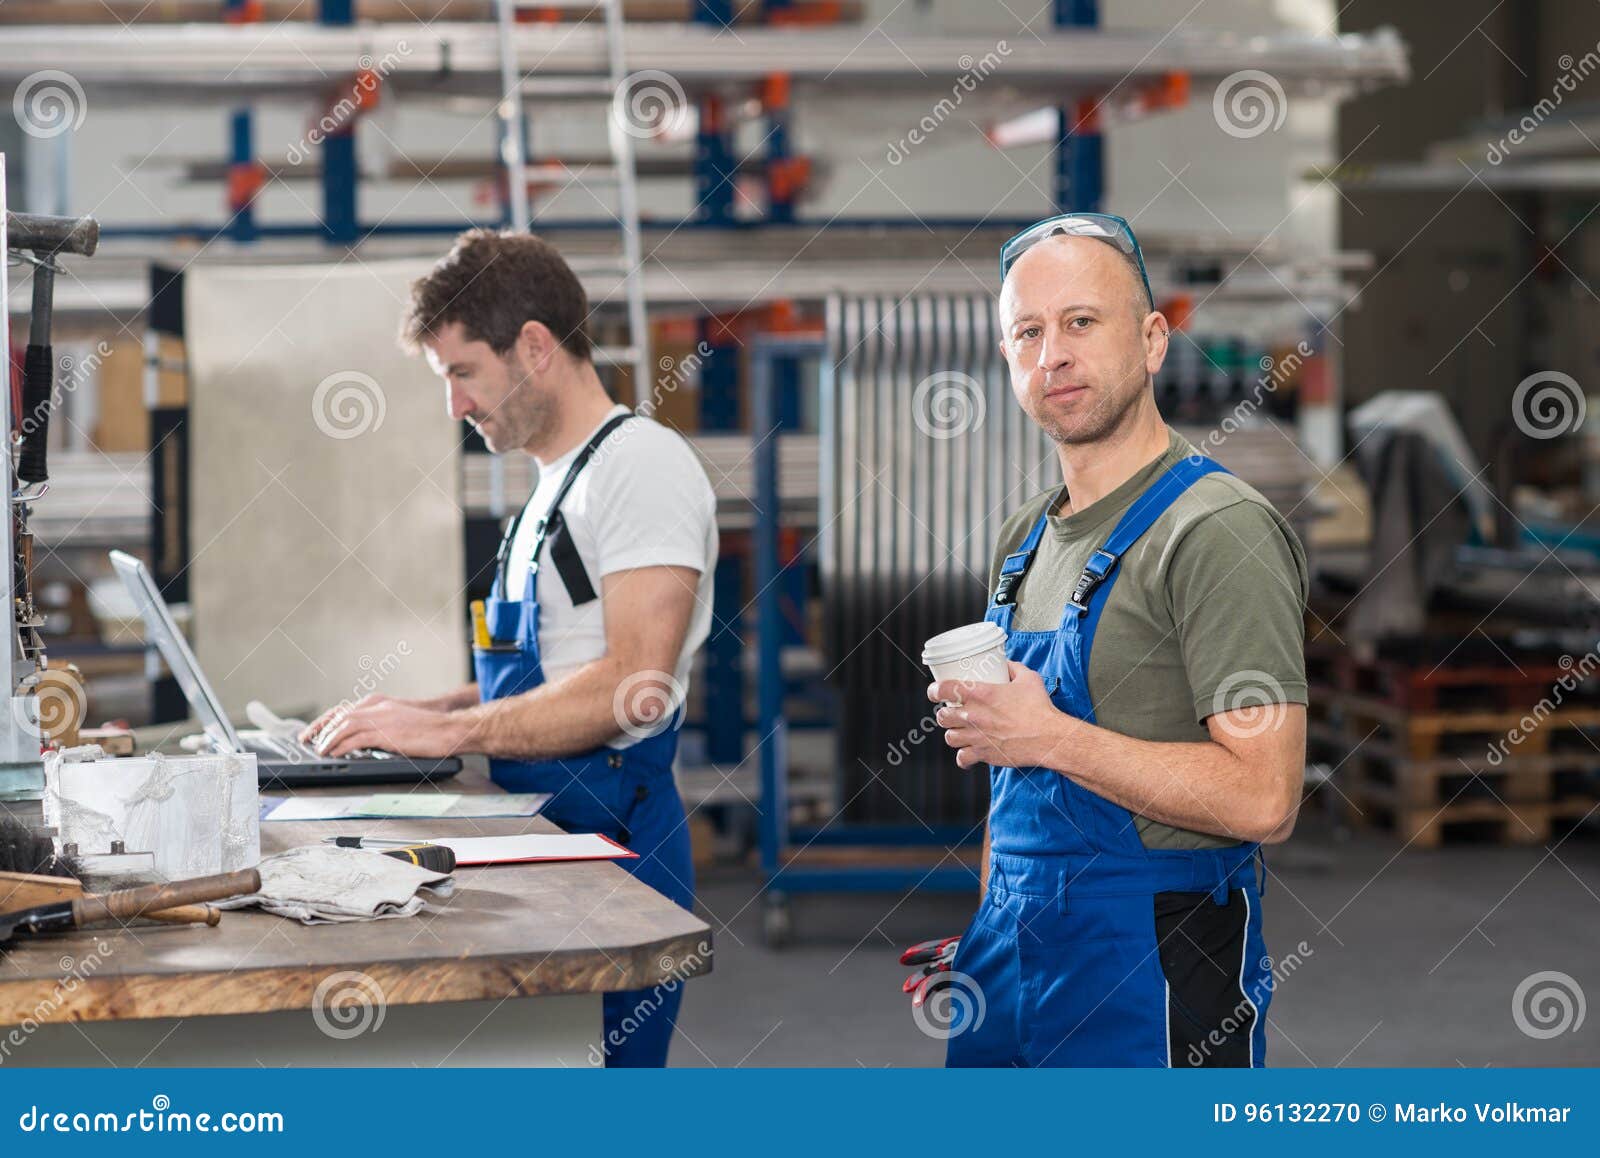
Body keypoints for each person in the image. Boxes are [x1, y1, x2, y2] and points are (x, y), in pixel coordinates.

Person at [305, 229, 717, 1068]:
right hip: (549, 838)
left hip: (613, 851)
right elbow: (559, 663)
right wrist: (427, 710)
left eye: (463, 373)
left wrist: (455, 736)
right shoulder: (551, 484)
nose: (454, 405)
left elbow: (632, 683)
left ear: (533, 347)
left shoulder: (639, 466)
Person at [914, 213, 1309, 1068]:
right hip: (1008, 962)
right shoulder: (1024, 540)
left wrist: (1049, 736)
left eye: (1081, 323)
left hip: (1154, 975)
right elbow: (1009, 772)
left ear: (1154, 339)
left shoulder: (1217, 531)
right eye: (1028, 331)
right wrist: (996, 927)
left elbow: (1264, 798)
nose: (1052, 352)